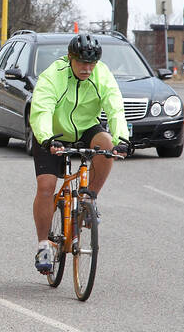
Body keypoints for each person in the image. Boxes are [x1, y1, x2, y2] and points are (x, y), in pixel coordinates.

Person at [29, 33, 129, 275]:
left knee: (105, 143)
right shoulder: (54, 75)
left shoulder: (101, 74)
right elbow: (41, 108)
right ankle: (44, 245)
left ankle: (88, 199)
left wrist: (122, 139)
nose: (87, 68)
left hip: (85, 129)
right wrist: (47, 138)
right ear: (70, 58)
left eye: (91, 63)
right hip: (52, 133)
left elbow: (115, 107)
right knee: (46, 186)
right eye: (82, 62)